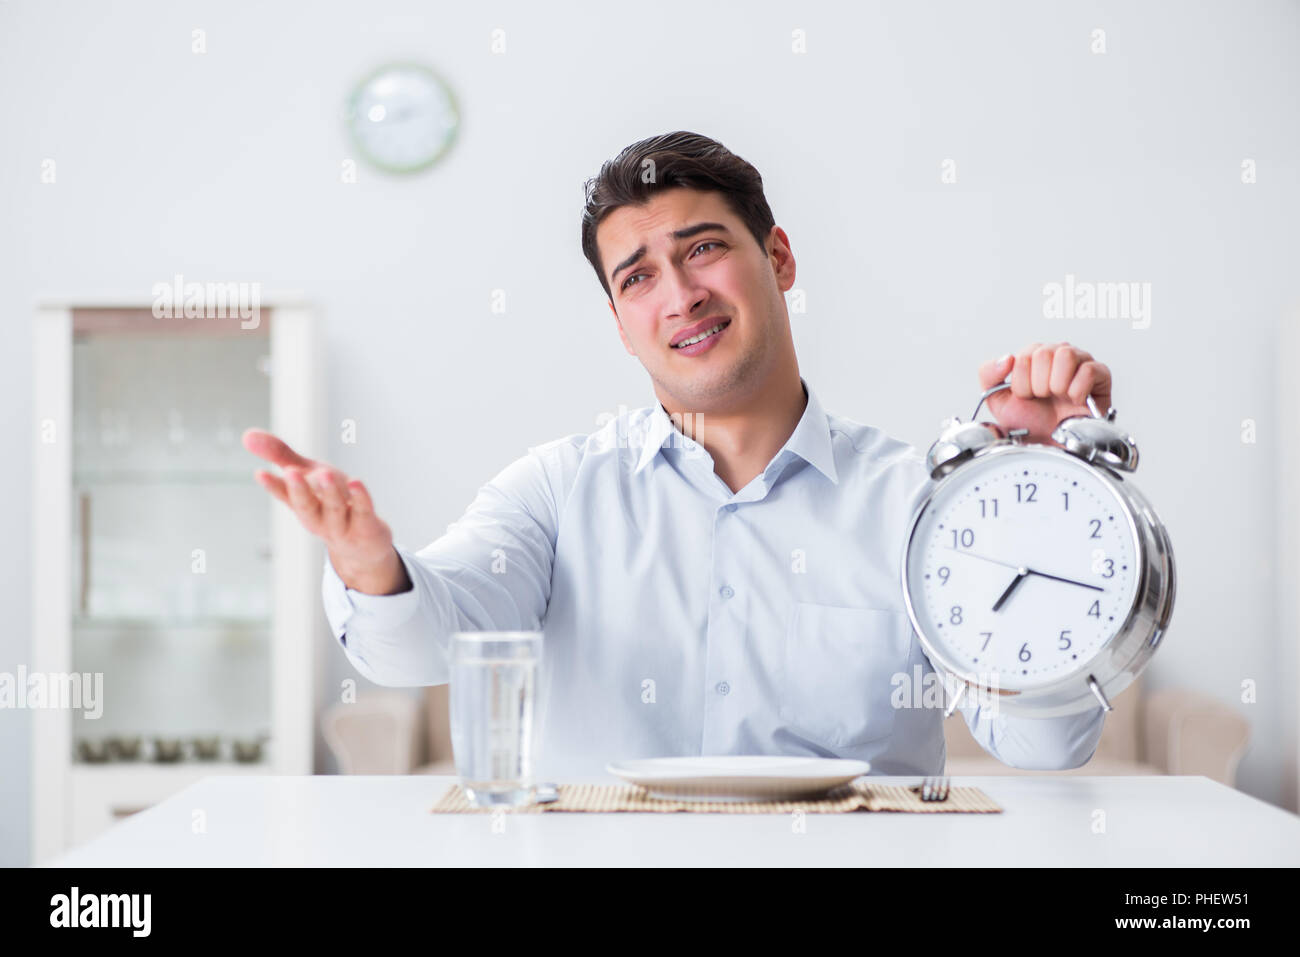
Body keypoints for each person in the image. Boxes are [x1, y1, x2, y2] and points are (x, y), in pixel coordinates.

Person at [244, 131, 1112, 779]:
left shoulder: (917, 502)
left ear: (778, 258)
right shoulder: (555, 492)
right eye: (638, 277)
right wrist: (368, 565)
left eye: (702, 248)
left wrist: (1043, 496)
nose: (681, 294)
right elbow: (420, 647)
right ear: (621, 326)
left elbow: (1045, 743)